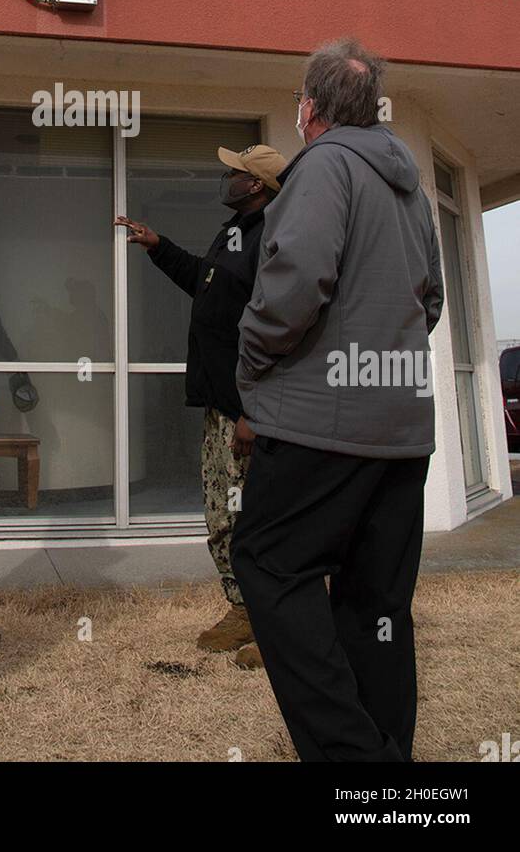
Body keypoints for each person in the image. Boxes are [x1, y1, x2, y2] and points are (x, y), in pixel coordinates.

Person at [231, 38, 445, 762]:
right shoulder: (409, 185)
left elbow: (292, 289)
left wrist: (252, 366)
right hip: (402, 433)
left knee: (265, 562)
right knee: (375, 607)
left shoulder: (321, 167)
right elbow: (431, 303)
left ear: (311, 108)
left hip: (324, 431)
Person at [115, 142, 287, 654]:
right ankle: (244, 609)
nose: (226, 177)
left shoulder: (273, 239)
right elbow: (204, 284)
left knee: (250, 517)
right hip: (222, 406)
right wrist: (158, 245)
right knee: (222, 516)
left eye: (234, 172)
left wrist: (253, 412)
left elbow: (278, 330)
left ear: (255, 185)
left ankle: (268, 619)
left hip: (247, 414)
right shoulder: (233, 233)